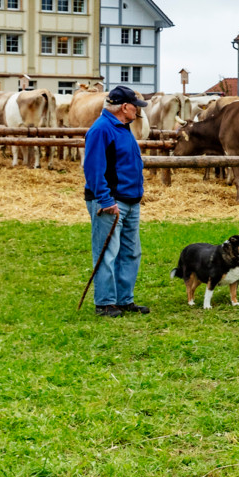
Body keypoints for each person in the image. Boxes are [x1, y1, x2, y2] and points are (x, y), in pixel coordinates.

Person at [84, 85, 148, 317]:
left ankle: (124, 299)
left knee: (130, 252)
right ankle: (105, 302)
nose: (137, 111)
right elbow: (93, 169)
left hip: (130, 200)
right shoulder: (101, 129)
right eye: (135, 106)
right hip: (111, 202)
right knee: (107, 252)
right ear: (125, 107)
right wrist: (105, 199)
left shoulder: (122, 127)